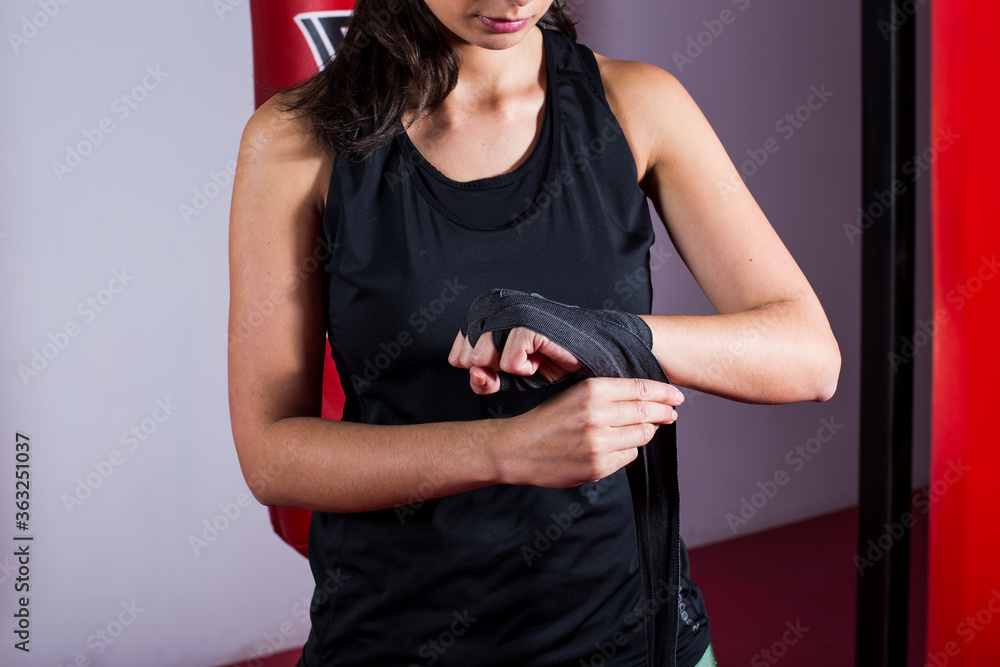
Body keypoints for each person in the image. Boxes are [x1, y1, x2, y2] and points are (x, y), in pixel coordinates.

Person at [227, 1, 841, 665]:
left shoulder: (636, 103)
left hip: (635, 635)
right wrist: (506, 448)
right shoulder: (295, 140)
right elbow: (271, 453)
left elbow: (808, 357)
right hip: (395, 639)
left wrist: (599, 334)